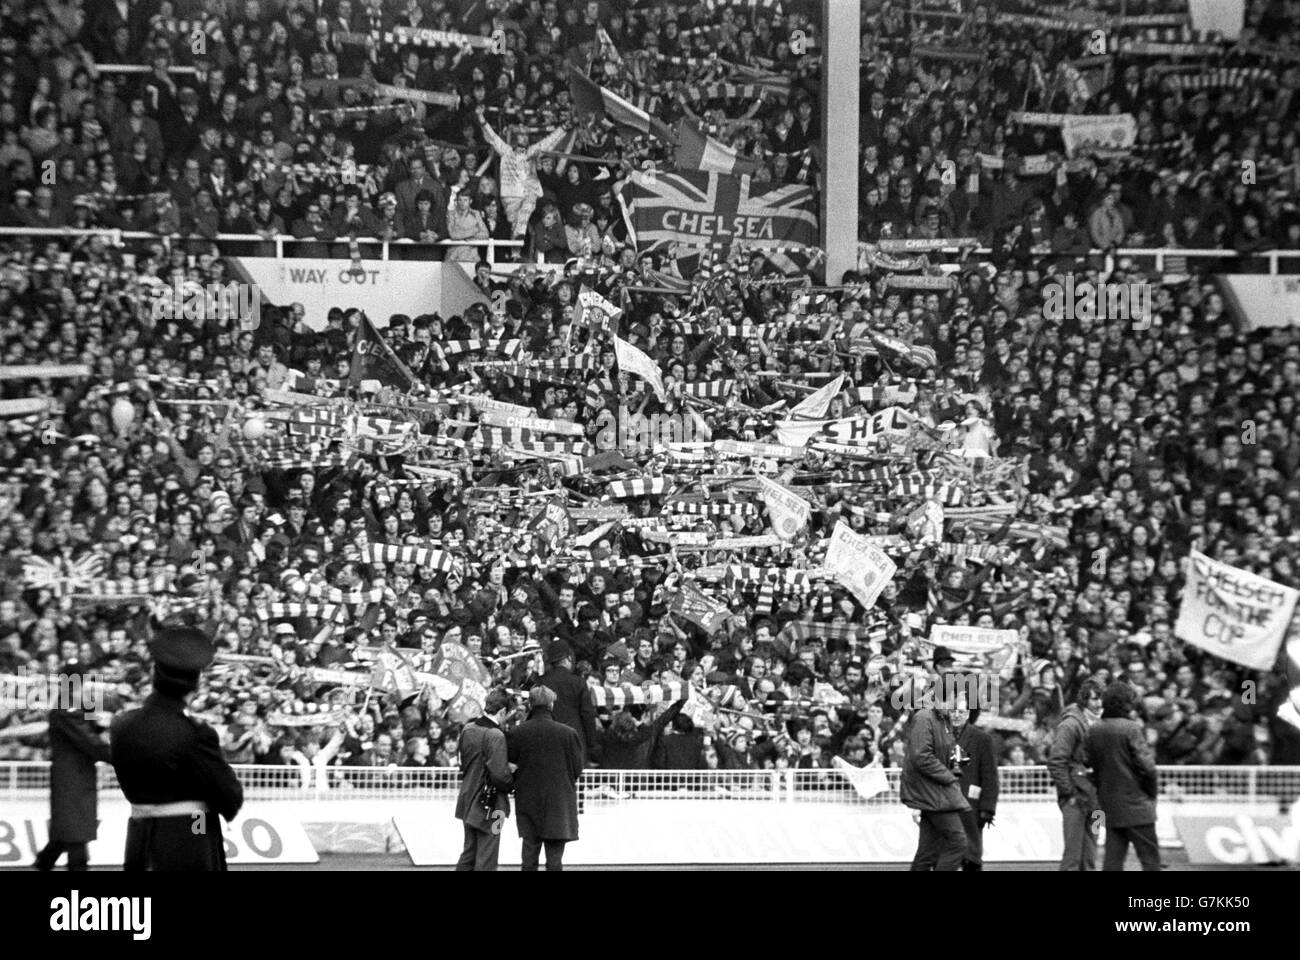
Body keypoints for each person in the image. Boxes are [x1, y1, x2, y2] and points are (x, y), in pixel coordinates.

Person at [110, 625, 244, 871]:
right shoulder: (195, 732)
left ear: (154, 674)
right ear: (196, 683)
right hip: (194, 825)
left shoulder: (122, 725)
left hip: (140, 832)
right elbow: (229, 795)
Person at [34, 661, 111, 871]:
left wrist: (100, 718)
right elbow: (90, 742)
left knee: (66, 833)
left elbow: (94, 727)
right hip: (71, 779)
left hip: (76, 777)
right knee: (75, 834)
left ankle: (42, 864)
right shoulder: (65, 709)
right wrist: (121, 755)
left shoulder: (78, 706)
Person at [900, 647, 970, 871]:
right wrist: (948, 775)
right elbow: (921, 756)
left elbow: (937, 753)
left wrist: (956, 761)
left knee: (928, 852)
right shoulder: (924, 717)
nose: (958, 702)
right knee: (957, 841)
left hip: (934, 791)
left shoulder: (941, 720)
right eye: (956, 696)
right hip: (933, 791)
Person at [507, 685, 583, 872]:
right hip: (559, 802)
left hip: (528, 800)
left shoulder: (518, 732)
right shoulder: (568, 733)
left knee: (529, 858)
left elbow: (508, 764)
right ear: (551, 704)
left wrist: (520, 775)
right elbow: (577, 769)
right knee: (555, 861)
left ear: (531, 704)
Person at [1088, 681, 1161, 872]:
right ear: (1126, 703)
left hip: (1110, 804)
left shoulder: (1095, 729)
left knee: (1112, 861)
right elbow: (1148, 767)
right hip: (1137, 806)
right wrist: (1151, 794)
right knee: (1150, 861)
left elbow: (1092, 767)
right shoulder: (1131, 728)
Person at [453, 687, 514, 871]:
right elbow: (499, 775)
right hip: (492, 804)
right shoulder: (496, 735)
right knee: (488, 855)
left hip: (467, 796)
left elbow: (465, 763)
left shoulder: (468, 729)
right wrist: (511, 778)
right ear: (502, 711)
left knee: (469, 853)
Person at [1047, 680, 1103, 871]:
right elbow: (1056, 760)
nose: (1099, 703)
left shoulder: (1102, 722)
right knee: (1072, 855)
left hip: (1098, 800)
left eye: (1101, 698)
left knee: (1091, 851)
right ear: (1084, 700)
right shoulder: (1070, 725)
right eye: (1095, 699)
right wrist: (1068, 792)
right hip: (1075, 799)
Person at [534, 639, 600, 765]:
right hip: (575, 739)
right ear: (569, 658)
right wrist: (593, 745)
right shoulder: (578, 682)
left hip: (547, 741)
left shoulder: (541, 682)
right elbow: (587, 715)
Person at [953, 692, 999, 871]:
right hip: (943, 805)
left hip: (971, 806)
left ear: (969, 713)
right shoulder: (938, 736)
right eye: (953, 710)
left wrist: (988, 808)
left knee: (970, 855)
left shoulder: (982, 739)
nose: (956, 715)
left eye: (961, 711)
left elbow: (990, 776)